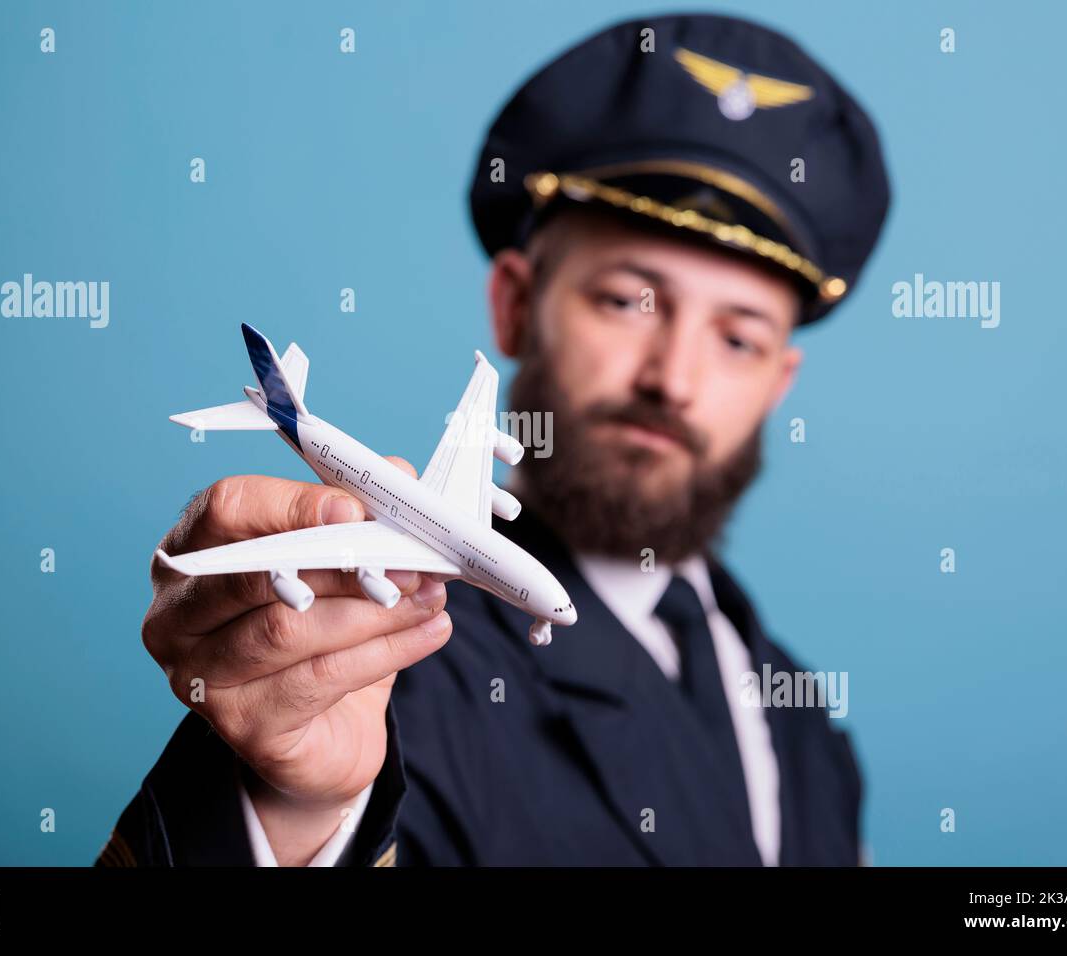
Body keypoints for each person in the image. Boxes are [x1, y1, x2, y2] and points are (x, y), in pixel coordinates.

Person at [96, 11, 890, 867]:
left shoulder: (803, 721)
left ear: (780, 384)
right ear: (514, 305)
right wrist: (294, 807)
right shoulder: (384, 662)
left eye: (738, 338)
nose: (676, 379)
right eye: (627, 300)